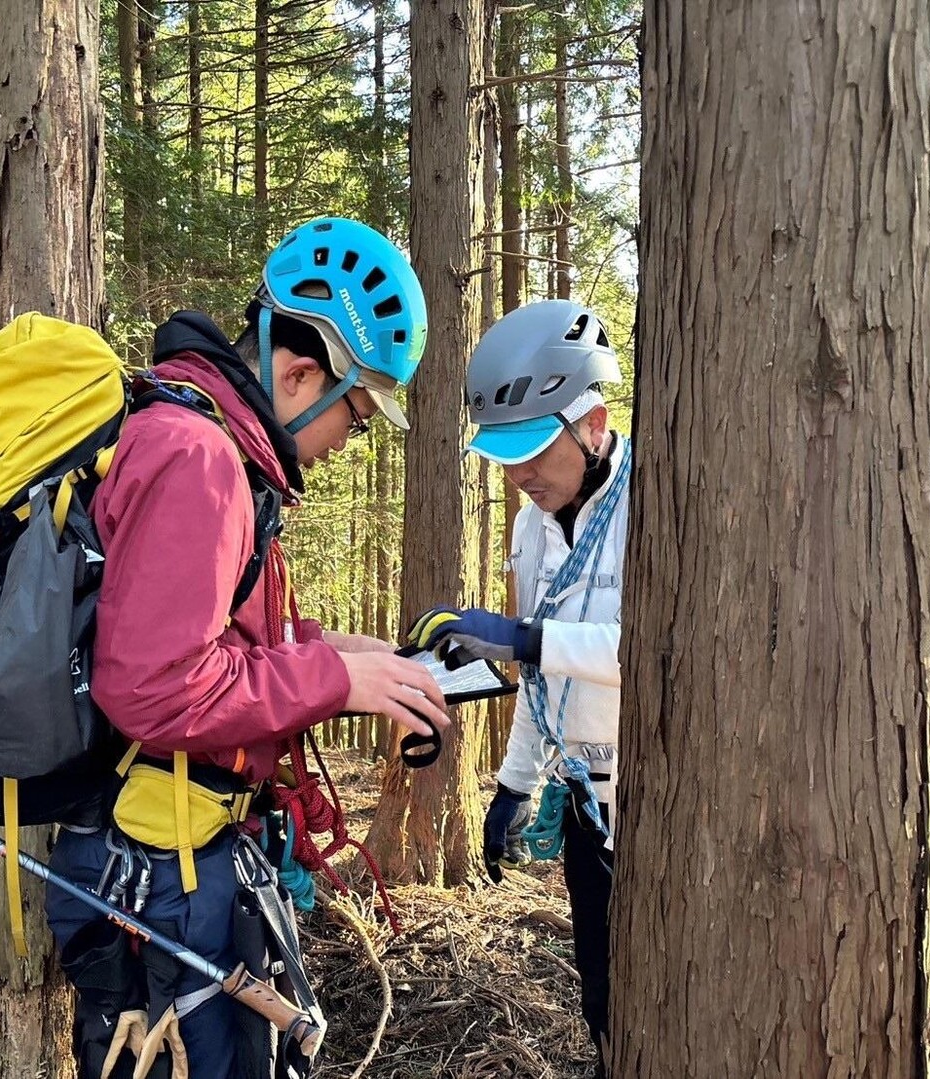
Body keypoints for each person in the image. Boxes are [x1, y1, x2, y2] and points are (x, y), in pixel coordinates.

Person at [45, 217, 451, 1079]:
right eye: (359, 412)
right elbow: (156, 685)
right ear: (302, 372)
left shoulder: (209, 445)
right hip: (161, 874)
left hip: (171, 860)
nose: (350, 440)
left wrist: (340, 652)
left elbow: (211, 635)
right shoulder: (200, 458)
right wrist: (331, 675)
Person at [407, 299, 628, 1078]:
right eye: (504, 453)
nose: (518, 473)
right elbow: (543, 673)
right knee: (603, 999)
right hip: (581, 804)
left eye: (533, 447)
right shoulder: (532, 524)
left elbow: (664, 653)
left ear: (592, 424)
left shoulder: (659, 506)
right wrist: (515, 784)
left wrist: (525, 636)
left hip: (662, 806)